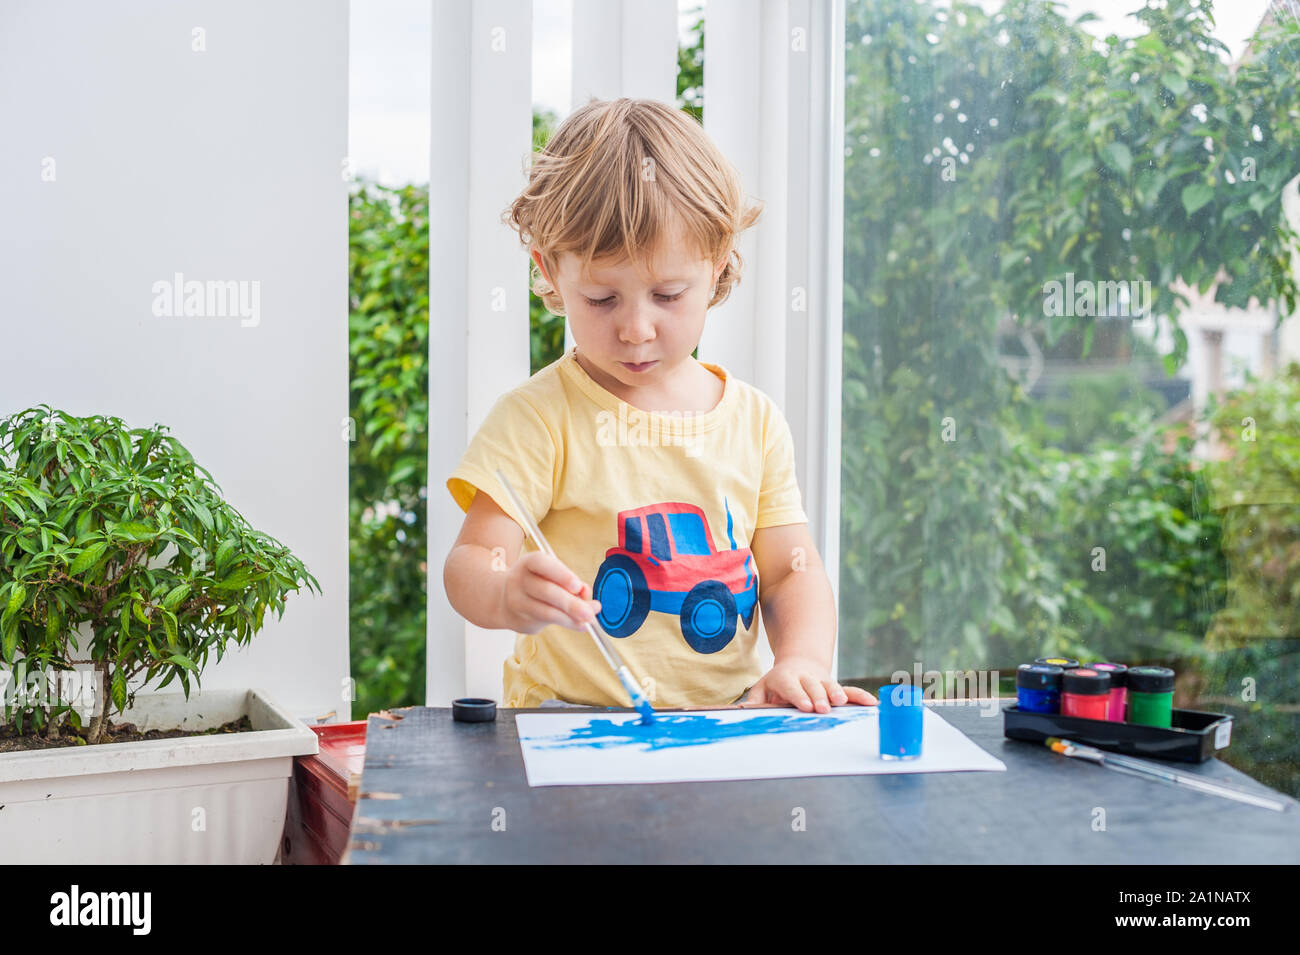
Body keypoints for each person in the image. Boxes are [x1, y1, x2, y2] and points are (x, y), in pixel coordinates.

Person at [443, 97, 875, 714]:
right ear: (550, 272)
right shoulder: (538, 418)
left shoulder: (753, 422)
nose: (637, 329)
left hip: (729, 719)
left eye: (668, 295)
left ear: (718, 266)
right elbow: (469, 565)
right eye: (601, 299)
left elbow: (789, 572)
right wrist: (505, 591)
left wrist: (801, 661)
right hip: (567, 725)